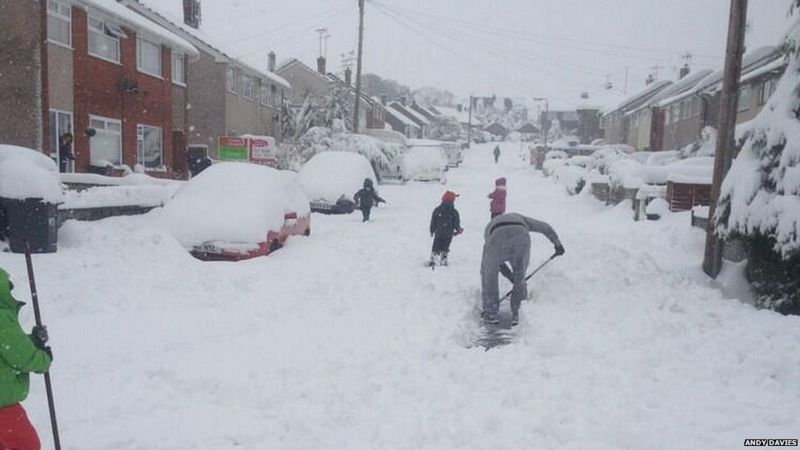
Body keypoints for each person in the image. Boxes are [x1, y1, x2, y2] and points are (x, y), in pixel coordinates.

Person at [0, 268, 52, 450]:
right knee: (27, 445)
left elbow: (8, 348)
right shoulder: (1, 319)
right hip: (3, 406)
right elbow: (22, 357)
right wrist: (44, 360)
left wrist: (33, 341)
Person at [480, 213, 564, 326]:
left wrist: (509, 276)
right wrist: (557, 244)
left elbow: (498, 265)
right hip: (521, 234)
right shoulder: (519, 217)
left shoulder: (489, 228)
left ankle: (491, 312)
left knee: (488, 274)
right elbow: (544, 227)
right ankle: (517, 312)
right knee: (520, 275)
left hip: (497, 236)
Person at [428, 191, 463, 266]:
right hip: (448, 233)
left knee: (436, 245)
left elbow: (433, 221)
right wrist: (458, 229)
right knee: (445, 246)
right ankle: (444, 259)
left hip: (439, 232)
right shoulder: (454, 212)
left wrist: (432, 230)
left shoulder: (437, 210)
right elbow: (456, 223)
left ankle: (433, 258)